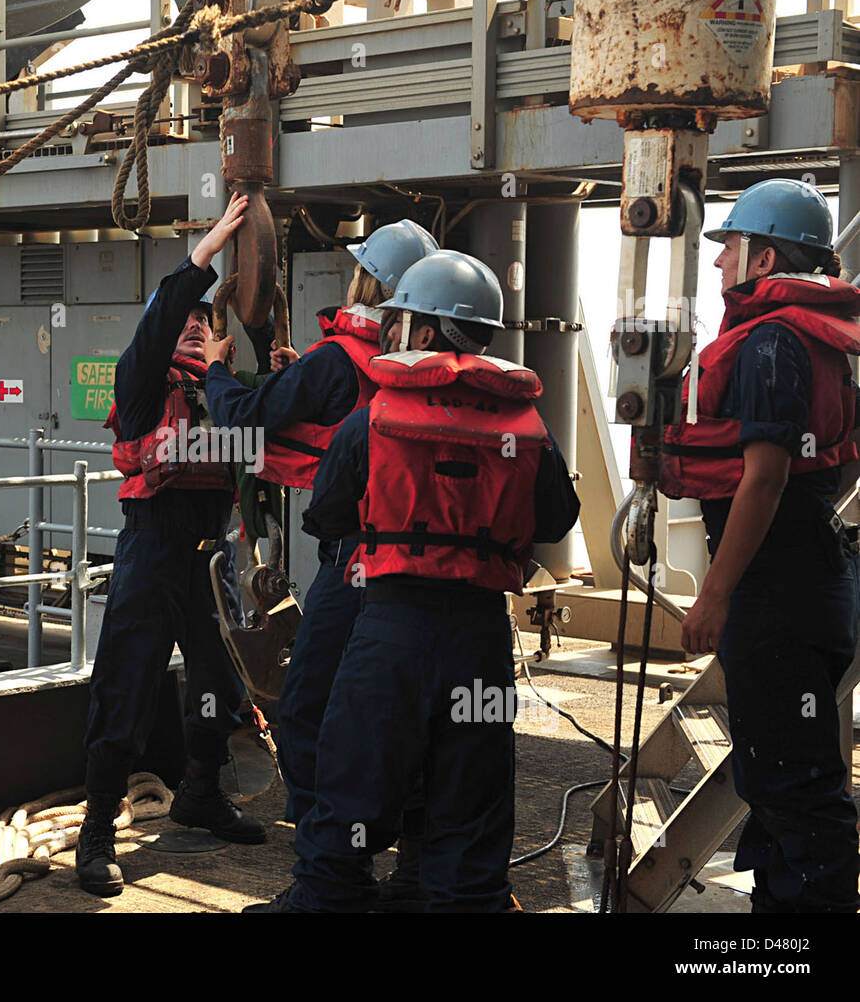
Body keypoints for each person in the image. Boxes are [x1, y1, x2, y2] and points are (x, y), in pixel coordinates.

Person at [247, 250, 580, 912]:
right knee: (471, 789)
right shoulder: (527, 424)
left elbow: (327, 515)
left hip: (390, 629)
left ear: (425, 332)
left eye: (398, 320)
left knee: (353, 775)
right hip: (481, 637)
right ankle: (461, 898)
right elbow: (557, 517)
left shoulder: (376, 418)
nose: (390, 331)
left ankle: (329, 899)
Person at [201, 219, 437, 906]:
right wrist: (296, 378)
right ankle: (415, 866)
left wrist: (217, 367)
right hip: (408, 569)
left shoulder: (336, 362)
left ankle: (330, 871)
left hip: (352, 565)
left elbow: (244, 418)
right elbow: (333, 418)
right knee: (405, 716)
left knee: (305, 711)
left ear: (366, 284)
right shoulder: (392, 367)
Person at [660, 178, 860, 914]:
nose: (718, 266)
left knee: (793, 785)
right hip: (812, 573)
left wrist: (714, 595)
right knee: (776, 773)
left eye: (730, 249)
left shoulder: (771, 343)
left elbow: (766, 478)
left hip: (779, 594)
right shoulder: (824, 341)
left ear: (764, 255)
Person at [78, 193, 268, 897]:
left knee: (219, 685)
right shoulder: (139, 387)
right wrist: (205, 256)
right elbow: (160, 322)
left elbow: (269, 427)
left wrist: (269, 368)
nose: (193, 329)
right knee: (125, 688)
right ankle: (97, 829)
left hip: (207, 557)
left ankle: (199, 794)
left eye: (203, 323)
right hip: (150, 551)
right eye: (185, 323)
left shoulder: (223, 393)